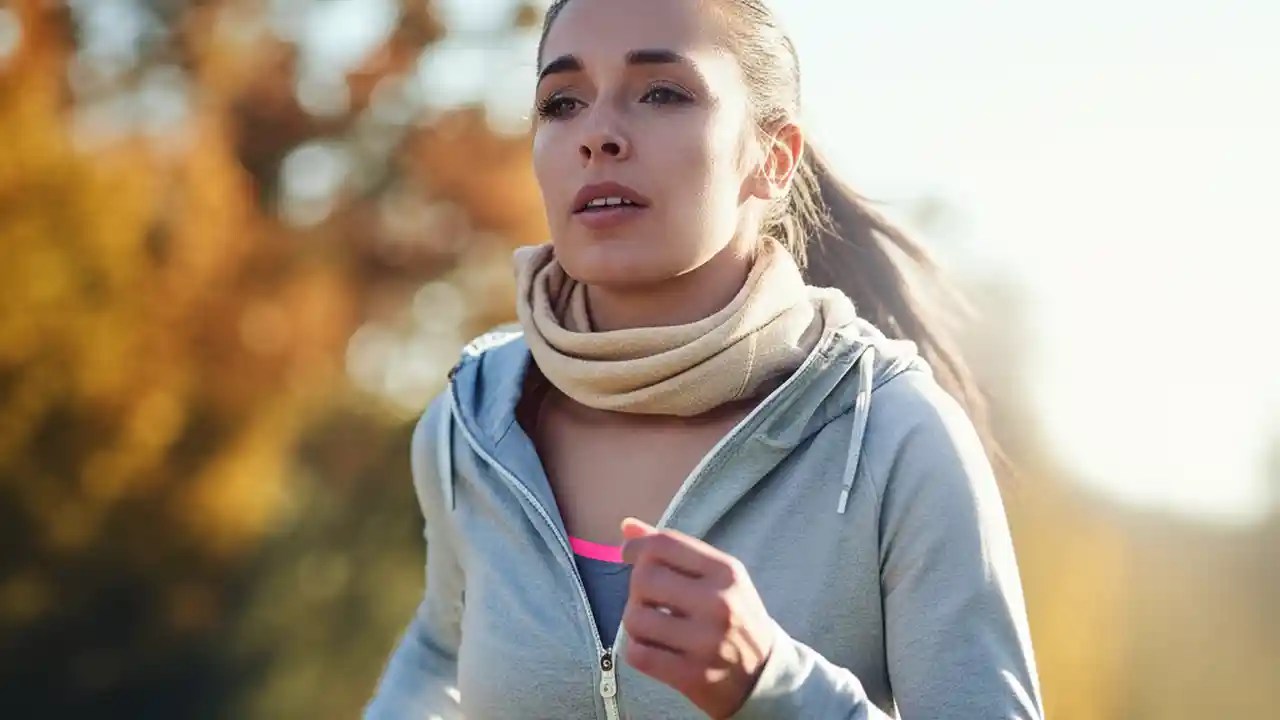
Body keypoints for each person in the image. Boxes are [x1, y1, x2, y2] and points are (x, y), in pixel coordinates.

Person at [366, 0, 1042, 717]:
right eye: (561, 102)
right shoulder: (472, 423)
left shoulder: (894, 436)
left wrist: (775, 686)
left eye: (662, 93)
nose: (597, 135)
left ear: (773, 159)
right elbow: (441, 650)